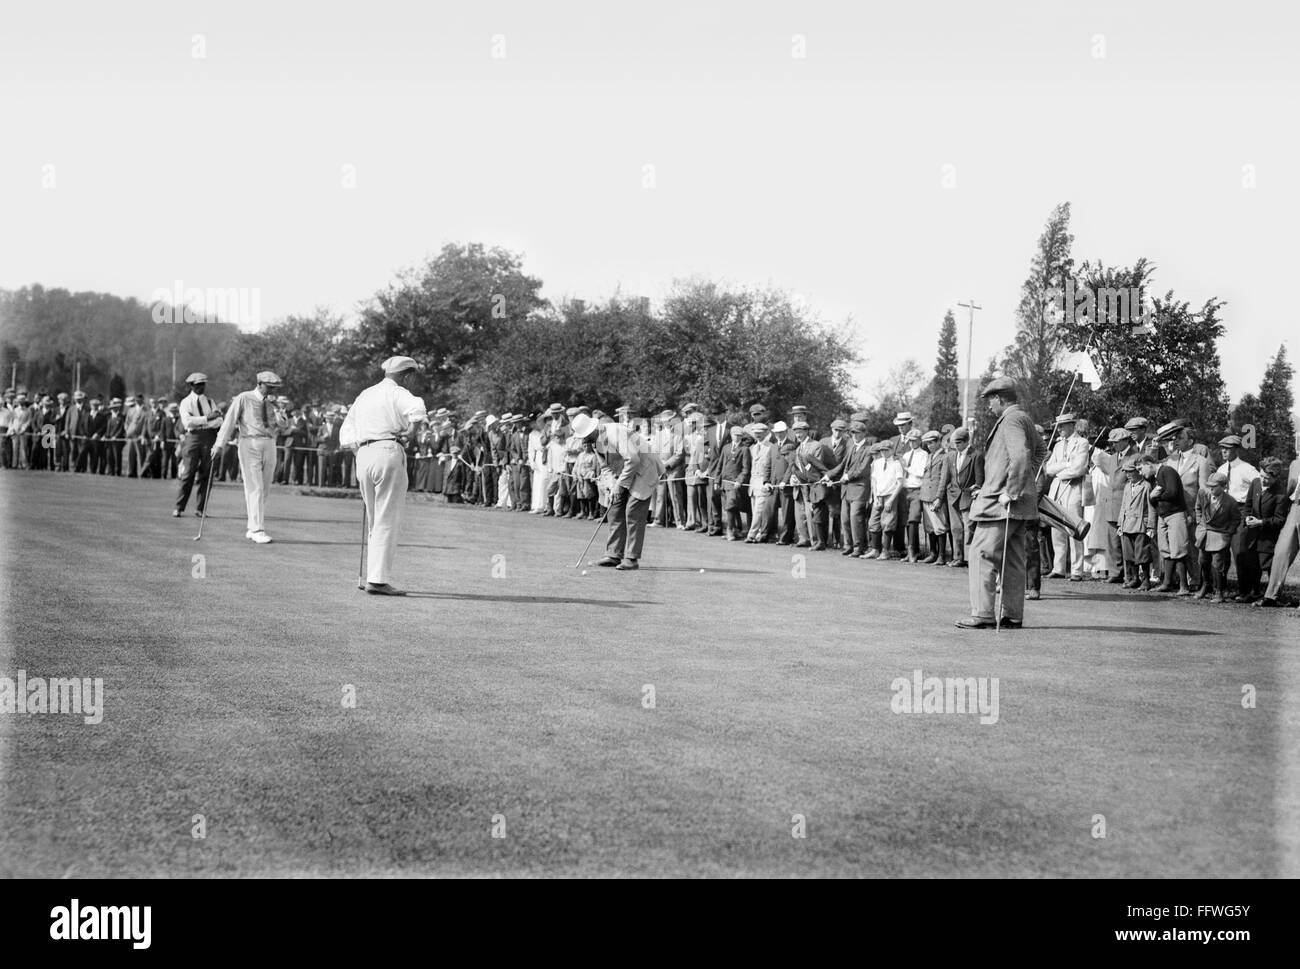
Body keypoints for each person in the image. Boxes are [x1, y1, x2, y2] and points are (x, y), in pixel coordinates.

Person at [957, 377, 1046, 630]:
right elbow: (1040, 452)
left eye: (989, 401)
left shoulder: (1011, 419)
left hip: (1001, 503)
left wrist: (1013, 489)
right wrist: (1025, 481)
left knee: (980, 553)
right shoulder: (1024, 418)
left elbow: (1022, 454)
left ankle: (983, 613)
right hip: (1017, 506)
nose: (988, 406)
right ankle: (1012, 615)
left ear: (999, 398)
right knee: (1013, 560)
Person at [338, 356, 428, 595]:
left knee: (375, 519)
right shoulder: (397, 392)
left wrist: (361, 452)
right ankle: (377, 581)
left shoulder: (364, 394)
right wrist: (411, 431)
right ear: (406, 375)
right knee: (387, 518)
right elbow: (418, 409)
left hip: (364, 455)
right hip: (387, 450)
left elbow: (346, 433)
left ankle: (373, 576)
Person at [212, 371, 290, 544]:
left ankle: (252, 525)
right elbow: (229, 421)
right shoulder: (243, 398)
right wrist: (219, 444)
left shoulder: (272, 403)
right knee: (255, 487)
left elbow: (284, 425)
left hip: (270, 443)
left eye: (274, 388)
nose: (272, 391)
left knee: (265, 488)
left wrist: (278, 408)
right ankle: (257, 529)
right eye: (269, 387)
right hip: (249, 443)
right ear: (260, 383)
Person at [579, 413, 664, 571]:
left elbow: (633, 459)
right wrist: (612, 486)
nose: (583, 440)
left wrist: (620, 485)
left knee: (633, 511)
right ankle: (613, 554)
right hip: (624, 473)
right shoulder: (595, 441)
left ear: (593, 429)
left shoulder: (615, 432)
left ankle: (631, 558)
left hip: (644, 471)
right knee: (615, 508)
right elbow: (605, 467)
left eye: (585, 436)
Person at [1043, 413, 1089, 580]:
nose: (1059, 429)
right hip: (1056, 489)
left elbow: (1079, 468)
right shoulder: (1057, 445)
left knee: (1074, 526)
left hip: (1073, 488)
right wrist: (1067, 464)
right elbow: (1048, 468)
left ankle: (1077, 570)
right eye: (1058, 426)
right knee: (1056, 527)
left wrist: (1060, 471)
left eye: (1062, 426)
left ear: (1072, 425)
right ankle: (1059, 567)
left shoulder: (1082, 443)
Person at [822, 419, 873, 557]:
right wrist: (828, 475)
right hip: (846, 490)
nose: (855, 435)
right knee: (845, 519)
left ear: (864, 433)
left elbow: (863, 470)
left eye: (858, 433)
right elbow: (842, 466)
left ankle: (859, 547)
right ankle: (848, 545)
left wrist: (848, 476)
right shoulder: (851, 447)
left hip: (860, 489)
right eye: (852, 433)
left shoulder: (868, 449)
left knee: (856, 518)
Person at [174, 373, 223, 517]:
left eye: (203, 384)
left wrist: (202, 421)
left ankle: (200, 509)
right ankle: (179, 507)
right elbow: (187, 422)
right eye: (198, 385)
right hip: (193, 438)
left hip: (209, 437)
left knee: (207, 474)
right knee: (188, 473)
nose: (201, 387)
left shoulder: (210, 401)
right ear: (191, 386)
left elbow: (219, 420)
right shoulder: (186, 402)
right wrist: (207, 418)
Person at [1255, 456, 1300, 610]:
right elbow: (1290, 489)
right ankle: (1271, 596)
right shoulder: (1295, 464)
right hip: (1295, 508)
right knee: (1281, 552)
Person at [1144, 449, 1190, 595]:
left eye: (1141, 468)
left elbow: (1173, 492)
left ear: (1149, 464)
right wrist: (1153, 497)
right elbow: (1152, 500)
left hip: (1175, 514)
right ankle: (1167, 583)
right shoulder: (1154, 478)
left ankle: (1184, 586)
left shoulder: (1167, 471)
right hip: (1163, 516)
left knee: (1179, 549)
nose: (1140, 472)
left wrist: (1156, 496)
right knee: (1165, 549)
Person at [938, 426, 982, 568]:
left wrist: (977, 492)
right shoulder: (950, 456)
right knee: (956, 528)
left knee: (969, 528)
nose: (956, 446)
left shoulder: (976, 455)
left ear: (966, 441)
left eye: (958, 443)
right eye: (954, 443)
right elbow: (944, 479)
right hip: (953, 497)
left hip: (969, 497)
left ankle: (971, 559)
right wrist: (939, 497)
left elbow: (980, 479)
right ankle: (958, 557)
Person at [1195, 470, 1240, 604]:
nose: (1211, 489)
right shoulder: (1203, 494)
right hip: (1204, 533)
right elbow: (1197, 508)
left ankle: (1219, 591)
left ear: (1223, 486)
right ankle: (1205, 585)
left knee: (1218, 564)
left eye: (1214, 486)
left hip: (1220, 534)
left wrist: (1228, 532)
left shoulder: (1230, 502)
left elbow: (1236, 519)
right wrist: (1199, 521)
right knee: (1203, 561)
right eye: (1209, 486)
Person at [1118, 455, 1157, 590]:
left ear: (1138, 471)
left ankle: (1146, 580)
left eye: (1131, 471)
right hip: (1127, 524)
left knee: (1142, 554)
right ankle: (1134, 578)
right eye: (1126, 472)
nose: (1128, 475)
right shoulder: (1127, 487)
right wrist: (1120, 524)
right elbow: (1123, 506)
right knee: (1129, 554)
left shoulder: (1146, 486)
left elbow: (1151, 507)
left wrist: (1151, 525)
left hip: (1141, 524)